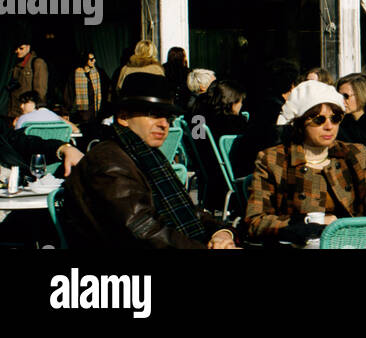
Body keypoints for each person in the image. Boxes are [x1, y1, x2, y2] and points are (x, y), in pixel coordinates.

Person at [61, 74, 236, 249]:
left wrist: (220, 233)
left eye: (168, 117)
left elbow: (188, 210)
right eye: (154, 115)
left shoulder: (144, 154)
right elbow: (143, 231)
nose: (164, 124)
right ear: (123, 117)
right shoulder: (108, 161)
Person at [243, 80, 366, 245]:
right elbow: (255, 221)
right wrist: (308, 222)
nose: (329, 126)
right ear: (300, 123)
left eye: (335, 118)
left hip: (352, 243)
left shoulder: (353, 153)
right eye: (319, 120)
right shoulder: (273, 160)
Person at [230, 57, 299, 179]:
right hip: (260, 171)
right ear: (292, 85)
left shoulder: (261, 105)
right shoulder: (280, 111)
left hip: (245, 166)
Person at [192, 79, 248, 211]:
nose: (241, 105)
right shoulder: (233, 123)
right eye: (240, 101)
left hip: (209, 176)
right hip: (230, 180)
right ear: (231, 102)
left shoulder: (197, 116)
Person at [7, 41, 49, 122]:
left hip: (28, 113)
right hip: (15, 112)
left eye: (21, 48)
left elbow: (40, 92)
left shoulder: (37, 63)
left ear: (28, 47)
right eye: (16, 49)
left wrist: (33, 113)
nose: (17, 51)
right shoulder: (17, 65)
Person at [67, 51, 105, 126]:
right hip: (82, 111)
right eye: (91, 59)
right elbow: (69, 92)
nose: (94, 61)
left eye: (94, 58)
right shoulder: (75, 74)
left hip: (96, 110)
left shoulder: (99, 72)